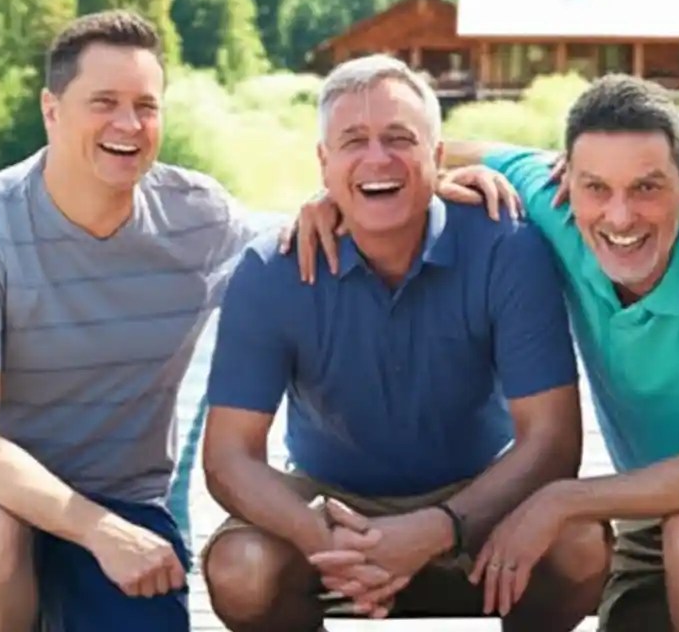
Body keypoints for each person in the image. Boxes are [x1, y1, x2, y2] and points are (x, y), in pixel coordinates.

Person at [300, 74, 679, 632]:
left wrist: (561, 500)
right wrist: (347, 195)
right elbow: (445, 149)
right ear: (568, 178)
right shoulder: (550, 203)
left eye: (646, 187)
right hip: (660, 483)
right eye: (597, 187)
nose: (619, 216)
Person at [196, 53, 610, 632]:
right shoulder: (272, 268)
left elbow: (552, 439)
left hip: (477, 502)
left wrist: (439, 527)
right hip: (329, 506)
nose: (377, 158)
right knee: (241, 568)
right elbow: (228, 458)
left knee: (578, 545)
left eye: (399, 138)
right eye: (353, 141)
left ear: (437, 157)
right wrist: (319, 535)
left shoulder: (507, 247)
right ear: (324, 162)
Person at [0, 10, 262, 631]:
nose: (128, 124)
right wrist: (98, 532)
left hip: (124, 497)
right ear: (52, 110)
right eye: (104, 102)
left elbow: (315, 242)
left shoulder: (201, 219)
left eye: (146, 105)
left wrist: (446, 184)